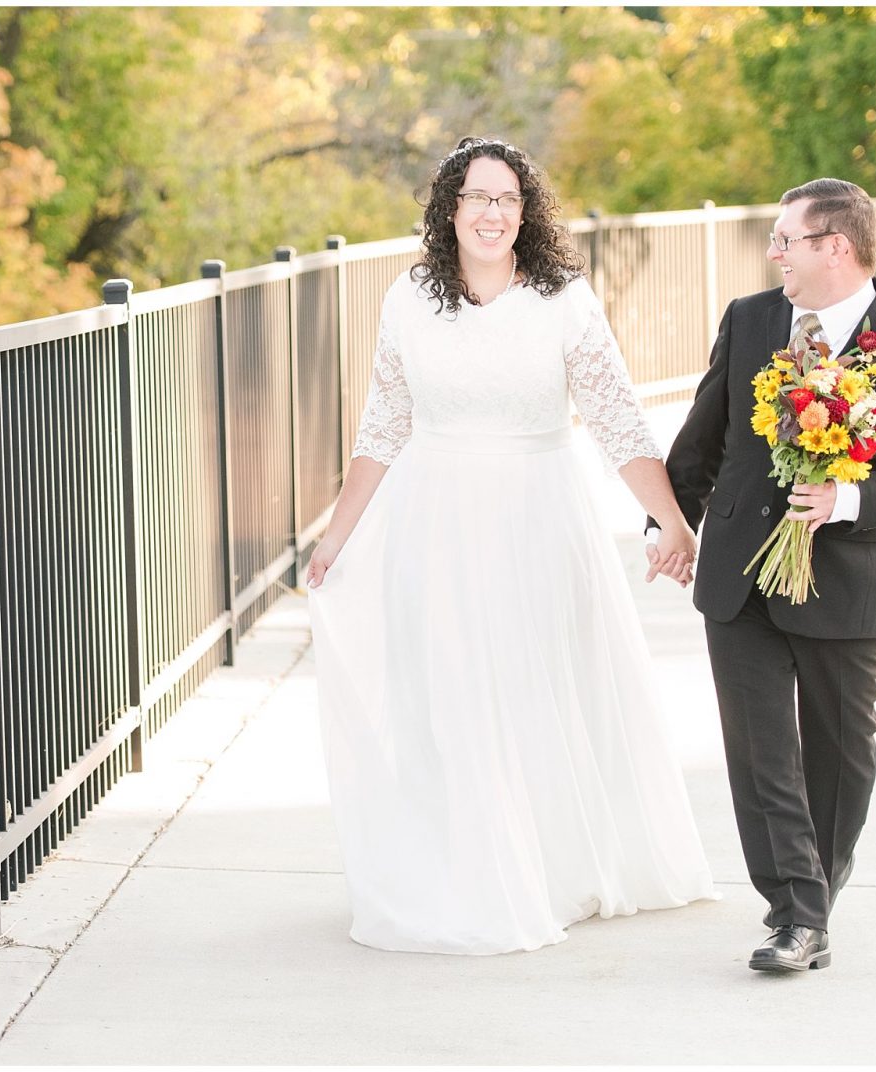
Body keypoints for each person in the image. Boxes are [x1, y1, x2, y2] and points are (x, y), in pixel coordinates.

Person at [304, 136, 715, 955]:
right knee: (446, 687)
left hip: (538, 512)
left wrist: (672, 521)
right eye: (477, 198)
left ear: (525, 215)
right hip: (436, 518)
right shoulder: (408, 298)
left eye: (508, 200)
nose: (492, 214)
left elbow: (615, 417)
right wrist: (335, 537)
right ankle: (464, 865)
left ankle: (547, 865)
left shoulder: (564, 299)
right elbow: (382, 425)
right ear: (449, 209)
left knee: (532, 682)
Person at [650, 178, 876, 972]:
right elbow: (704, 436)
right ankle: (796, 913)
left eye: (787, 238)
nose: (773, 251)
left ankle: (811, 901)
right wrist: (668, 522)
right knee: (761, 752)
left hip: (845, 586)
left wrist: (848, 498)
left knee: (840, 756)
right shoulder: (750, 320)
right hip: (741, 575)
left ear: (836, 247)